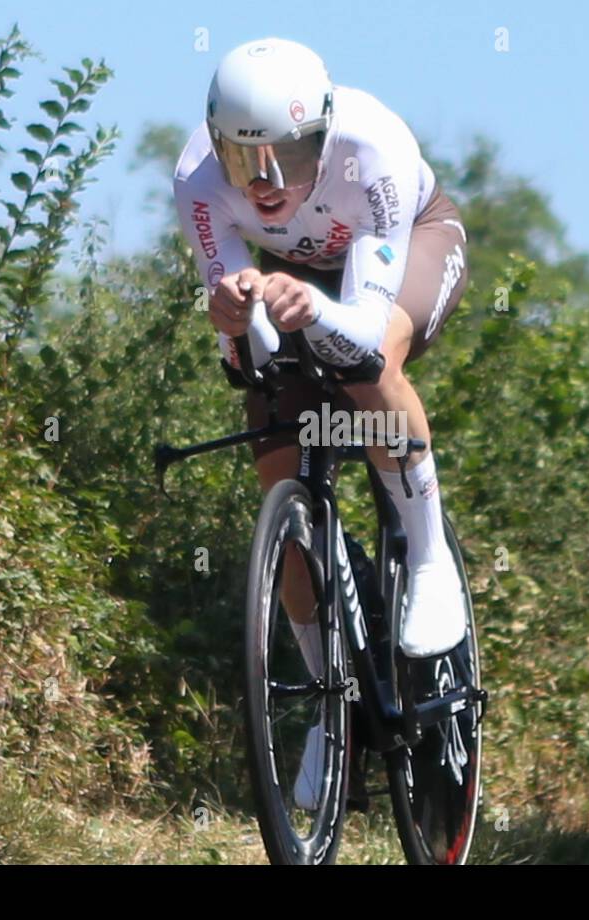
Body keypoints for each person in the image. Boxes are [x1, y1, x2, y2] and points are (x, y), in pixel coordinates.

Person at [173, 37, 470, 809]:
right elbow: (248, 346)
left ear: (325, 135)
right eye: (246, 160)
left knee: (370, 371)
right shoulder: (197, 182)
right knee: (272, 428)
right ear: (217, 149)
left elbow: (363, 331)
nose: (266, 183)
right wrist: (234, 315)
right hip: (295, 283)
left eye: (288, 155)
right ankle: (326, 695)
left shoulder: (373, 150)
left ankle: (429, 556)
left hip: (399, 261)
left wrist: (323, 310)